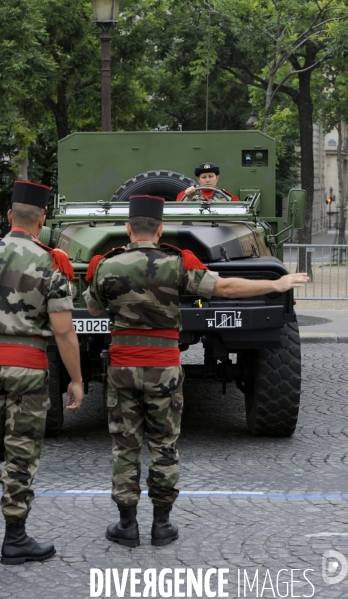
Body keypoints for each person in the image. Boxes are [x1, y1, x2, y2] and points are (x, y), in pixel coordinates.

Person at [83, 194, 308, 548]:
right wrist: (276, 285)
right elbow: (225, 286)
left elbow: (92, 310)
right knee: (164, 445)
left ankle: (126, 525)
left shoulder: (106, 266)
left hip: (123, 367)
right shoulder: (176, 265)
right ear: (159, 231)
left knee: (125, 446)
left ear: (128, 229)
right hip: (164, 367)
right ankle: (161, 526)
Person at [0, 180, 84, 565]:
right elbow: (63, 331)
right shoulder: (52, 262)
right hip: (28, 366)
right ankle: (15, 539)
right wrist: (76, 379)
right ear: (42, 220)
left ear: (10, 216)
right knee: (21, 453)